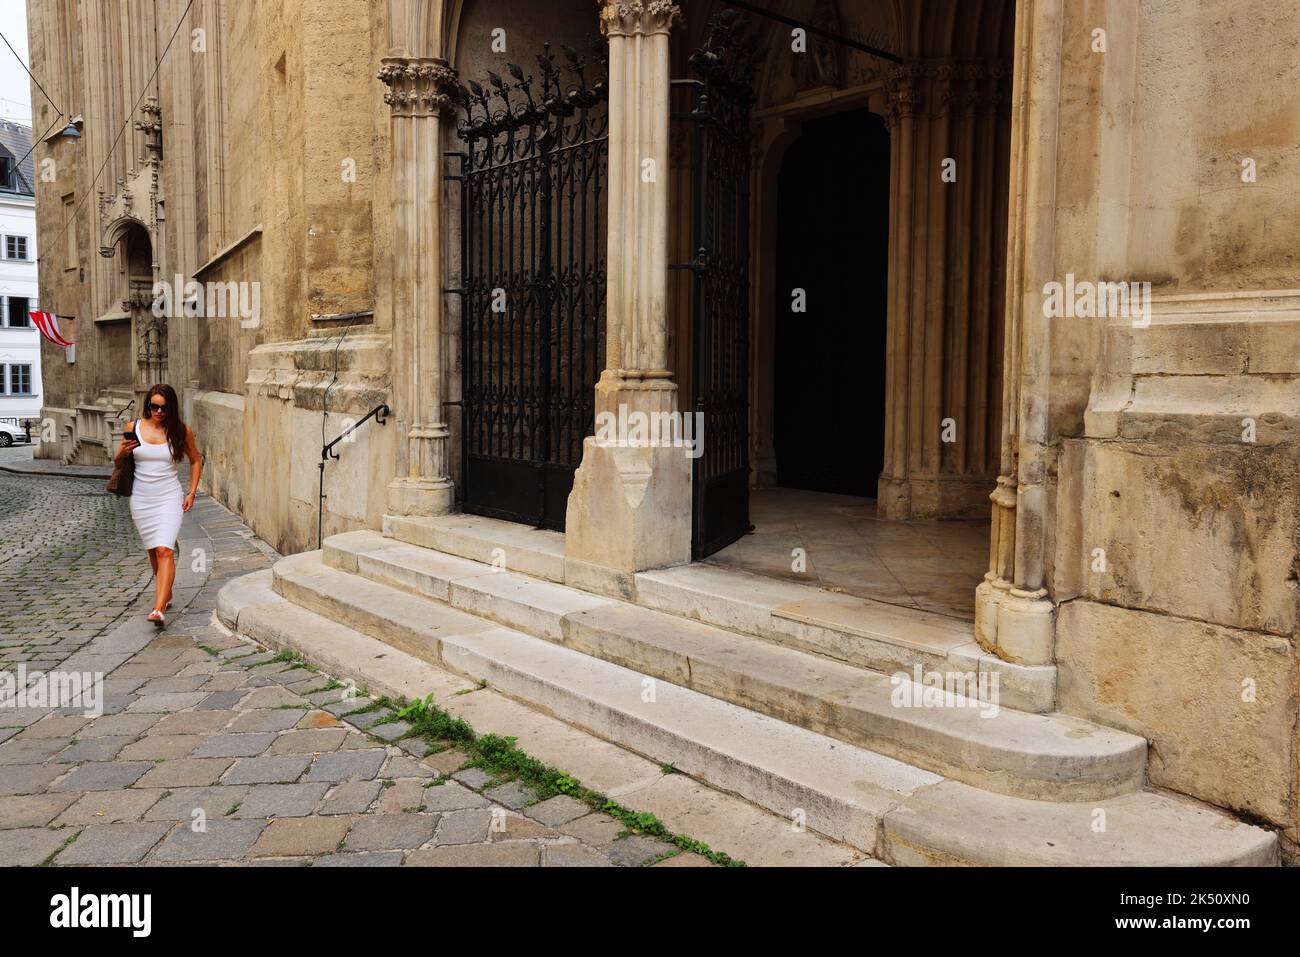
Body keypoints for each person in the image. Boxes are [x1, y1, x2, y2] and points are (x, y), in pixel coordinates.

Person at [113, 384, 204, 626]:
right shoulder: (134, 428)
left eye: (164, 407)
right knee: (154, 551)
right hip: (141, 499)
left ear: (171, 408)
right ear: (148, 406)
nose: (159, 411)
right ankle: (167, 592)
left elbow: (196, 460)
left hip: (169, 497)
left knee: (165, 550)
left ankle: (158, 607)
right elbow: (119, 462)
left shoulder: (181, 431)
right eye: (154, 406)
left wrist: (191, 492)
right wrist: (121, 452)